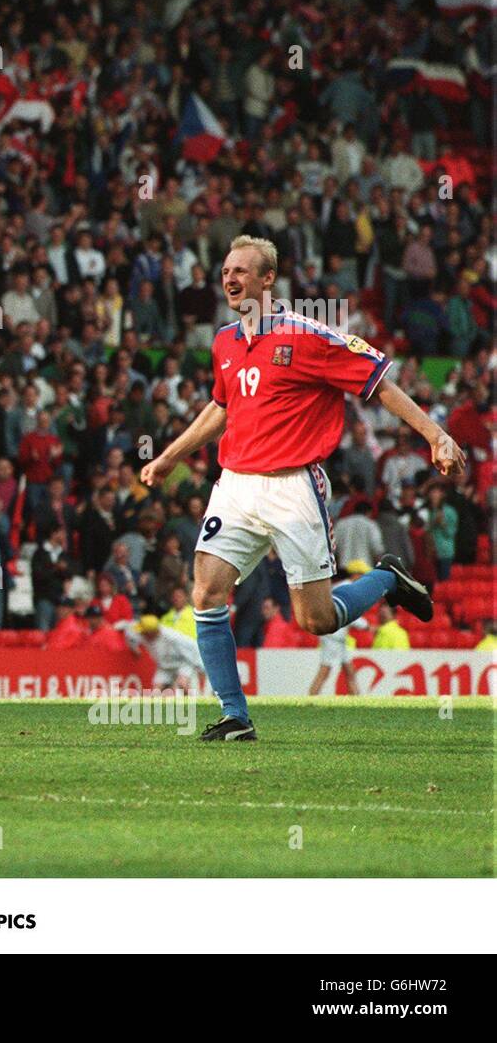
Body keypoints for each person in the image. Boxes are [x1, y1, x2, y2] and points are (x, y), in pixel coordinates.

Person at [141, 236, 464, 740]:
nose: (230, 279)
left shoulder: (310, 335)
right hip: (236, 485)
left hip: (294, 487)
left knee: (314, 620)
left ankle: (386, 579)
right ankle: (234, 716)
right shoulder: (225, 341)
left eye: (242, 272)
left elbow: (380, 384)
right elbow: (221, 408)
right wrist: (168, 457)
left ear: (268, 279)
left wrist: (436, 435)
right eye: (226, 271)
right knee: (205, 590)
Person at [309, 560, 370, 694]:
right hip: (333, 635)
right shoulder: (347, 589)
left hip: (338, 636)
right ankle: (309, 701)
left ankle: (357, 702)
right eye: (363, 575)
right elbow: (349, 613)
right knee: (325, 671)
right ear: (356, 575)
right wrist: (366, 626)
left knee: (349, 670)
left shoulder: (343, 587)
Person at [124, 613, 203, 693]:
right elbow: (129, 631)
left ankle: (194, 702)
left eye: (144, 632)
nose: (141, 634)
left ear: (151, 632)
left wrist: (199, 665)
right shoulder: (141, 633)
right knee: (156, 690)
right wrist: (134, 648)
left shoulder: (172, 637)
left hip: (182, 664)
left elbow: (194, 647)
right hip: (164, 667)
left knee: (182, 684)